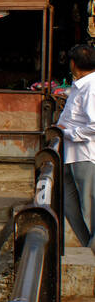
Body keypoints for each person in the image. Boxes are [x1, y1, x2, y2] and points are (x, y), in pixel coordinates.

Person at [57, 42, 95, 250]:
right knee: (69, 205)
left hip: (85, 154)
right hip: (71, 154)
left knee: (88, 207)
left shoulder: (92, 87)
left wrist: (69, 133)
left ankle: (92, 246)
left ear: (73, 63)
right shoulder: (82, 85)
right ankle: (88, 245)